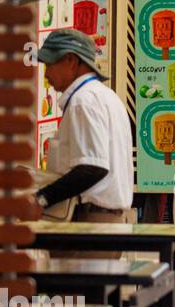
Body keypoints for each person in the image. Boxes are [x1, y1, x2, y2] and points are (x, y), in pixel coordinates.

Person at [34, 29, 134, 222]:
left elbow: (92, 168)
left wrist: (41, 198)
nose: (46, 74)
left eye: (49, 64)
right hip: (107, 219)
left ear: (71, 61)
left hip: (90, 219)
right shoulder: (104, 96)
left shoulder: (83, 101)